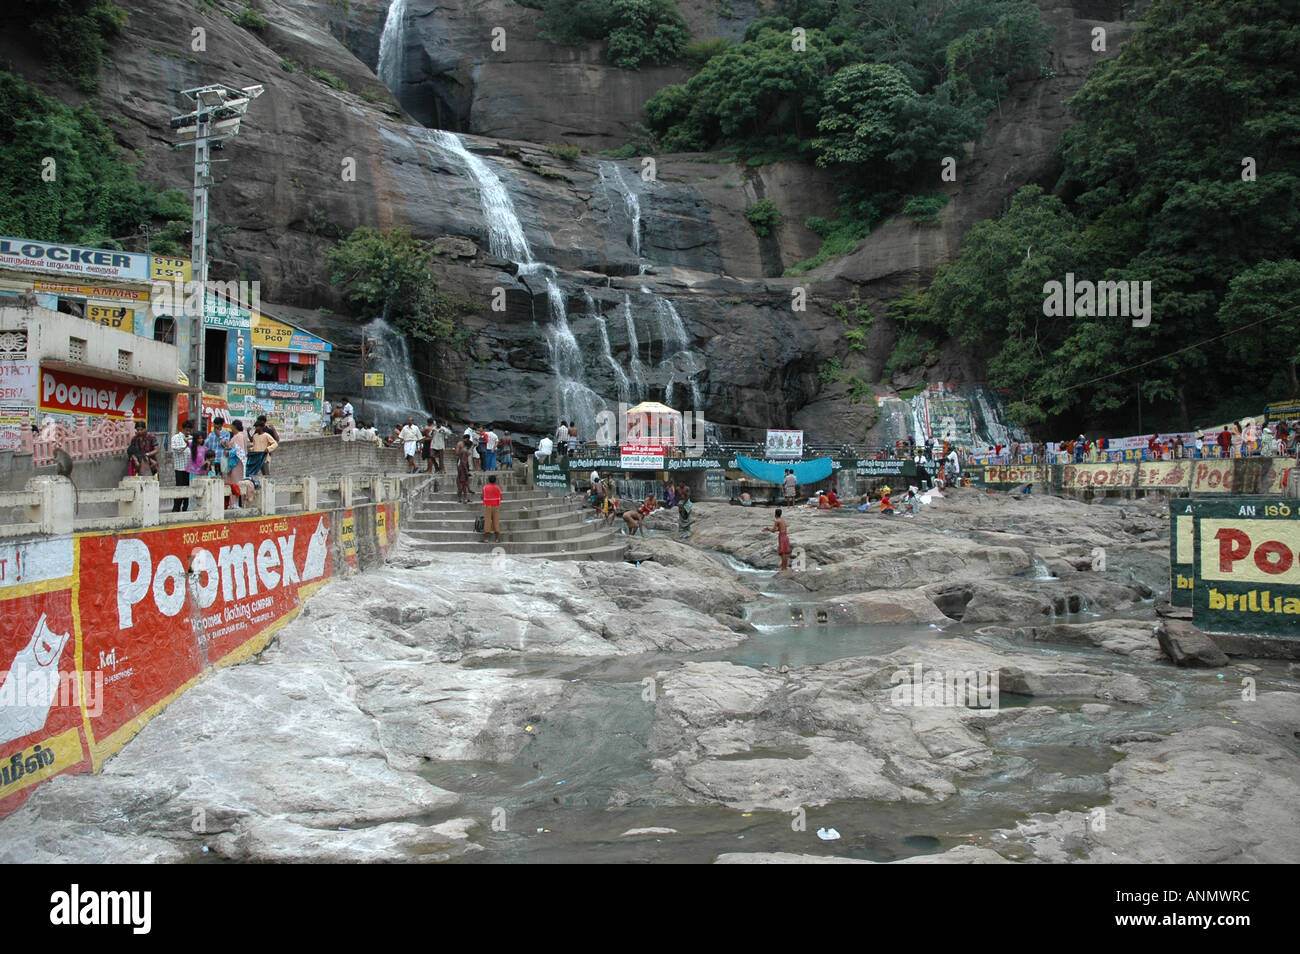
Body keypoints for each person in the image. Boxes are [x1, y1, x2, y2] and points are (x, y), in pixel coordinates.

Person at [169, 420, 194, 512]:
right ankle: (176, 508)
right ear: (182, 429)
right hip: (180, 467)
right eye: (186, 430)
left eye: (189, 430)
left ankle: (186, 508)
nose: (188, 432)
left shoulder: (192, 438)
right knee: (179, 487)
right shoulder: (176, 438)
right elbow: (176, 450)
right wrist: (185, 444)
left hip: (190, 469)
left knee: (188, 488)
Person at [762, 508, 791, 573]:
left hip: (782, 537)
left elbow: (773, 530)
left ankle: (783, 568)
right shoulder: (782, 520)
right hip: (785, 536)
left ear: (775, 514)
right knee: (785, 553)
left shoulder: (777, 521)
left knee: (783, 553)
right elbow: (781, 528)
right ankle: (785, 567)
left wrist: (767, 528)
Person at [481, 474, 502, 543]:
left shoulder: (485, 488)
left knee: (487, 521)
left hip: (488, 506)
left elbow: (482, 496)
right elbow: (500, 496)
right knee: (496, 521)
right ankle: (497, 538)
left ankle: (486, 538)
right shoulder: (498, 488)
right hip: (496, 505)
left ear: (488, 480)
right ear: (495, 481)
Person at [455, 432, 472, 504]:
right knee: (463, 483)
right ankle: (463, 498)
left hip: (461, 467)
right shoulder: (465, 451)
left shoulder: (463, 450)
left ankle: (462, 498)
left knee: (462, 483)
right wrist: (466, 471)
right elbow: (463, 462)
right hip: (462, 467)